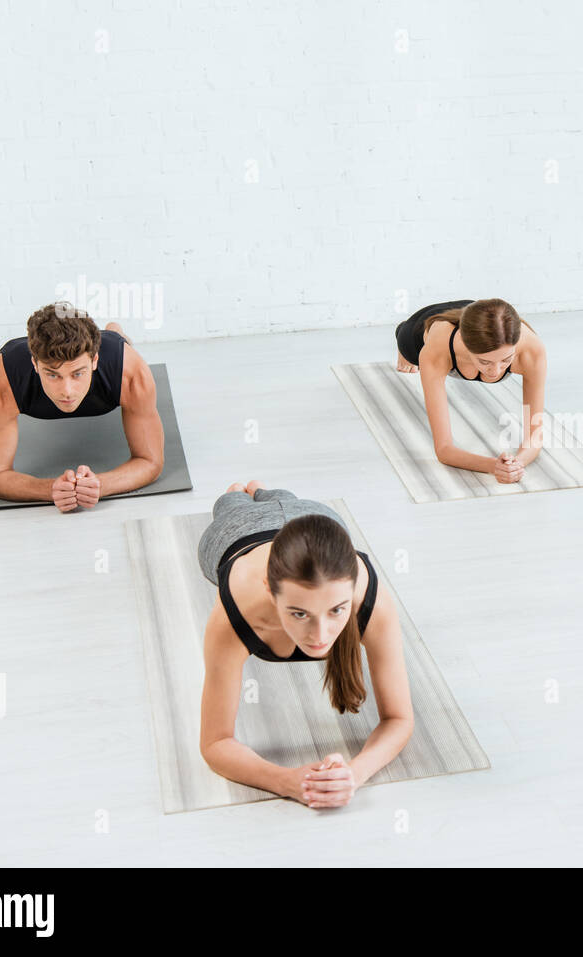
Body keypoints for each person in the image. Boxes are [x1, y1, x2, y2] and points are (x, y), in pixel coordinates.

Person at [196, 482, 412, 810]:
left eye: (336, 610)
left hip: (313, 518)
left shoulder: (372, 600)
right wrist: (286, 781)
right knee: (232, 502)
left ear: (353, 586)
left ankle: (264, 491)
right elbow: (215, 742)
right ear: (269, 590)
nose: (320, 635)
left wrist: (353, 774)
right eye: (299, 613)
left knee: (284, 500)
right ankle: (240, 492)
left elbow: (399, 719)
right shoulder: (236, 611)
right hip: (237, 532)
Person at [0, 302, 164, 511]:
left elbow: (150, 462)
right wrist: (50, 489)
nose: (67, 391)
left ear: (94, 361)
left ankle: (114, 330)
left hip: (112, 351)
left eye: (77, 374)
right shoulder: (2, 381)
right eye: (52, 374)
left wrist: (99, 485)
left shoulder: (131, 374)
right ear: (35, 364)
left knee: (117, 340)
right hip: (20, 354)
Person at [394, 298, 548, 483]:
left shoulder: (532, 350)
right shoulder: (439, 347)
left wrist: (516, 464)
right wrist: (493, 466)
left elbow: (535, 439)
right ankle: (401, 334)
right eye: (485, 361)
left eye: (506, 359)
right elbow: (444, 450)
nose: (496, 371)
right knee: (408, 346)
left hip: (479, 317)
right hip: (419, 330)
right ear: (466, 347)